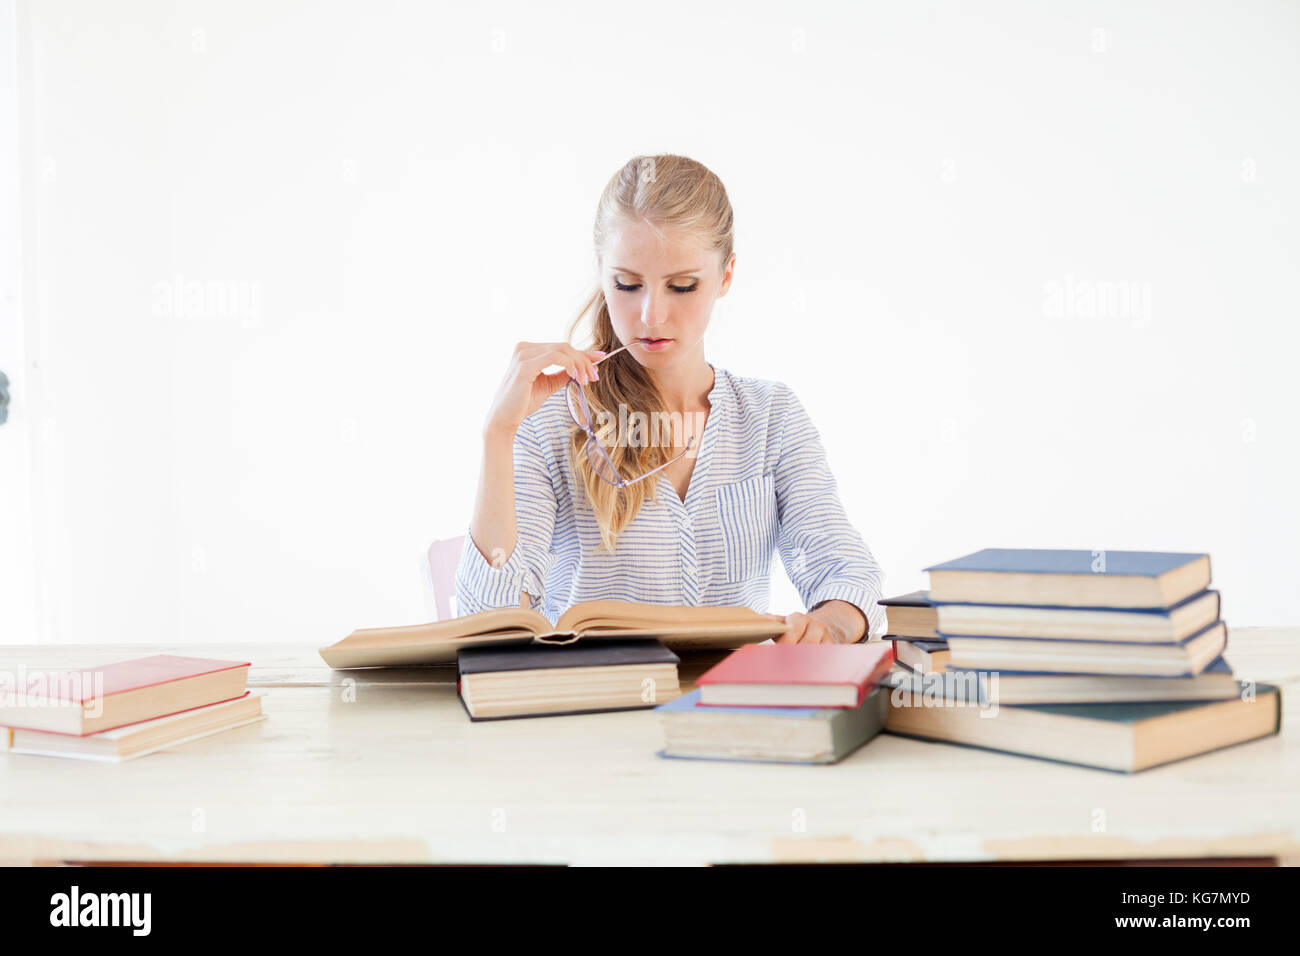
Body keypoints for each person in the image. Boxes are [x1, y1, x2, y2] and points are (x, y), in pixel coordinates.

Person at [454, 154, 884, 643]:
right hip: (593, 706)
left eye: (682, 286)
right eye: (627, 284)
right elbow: (485, 623)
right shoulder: (549, 421)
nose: (651, 315)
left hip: (728, 708)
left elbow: (847, 573)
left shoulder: (771, 419)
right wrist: (498, 435)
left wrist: (829, 625)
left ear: (725, 277)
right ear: (602, 274)